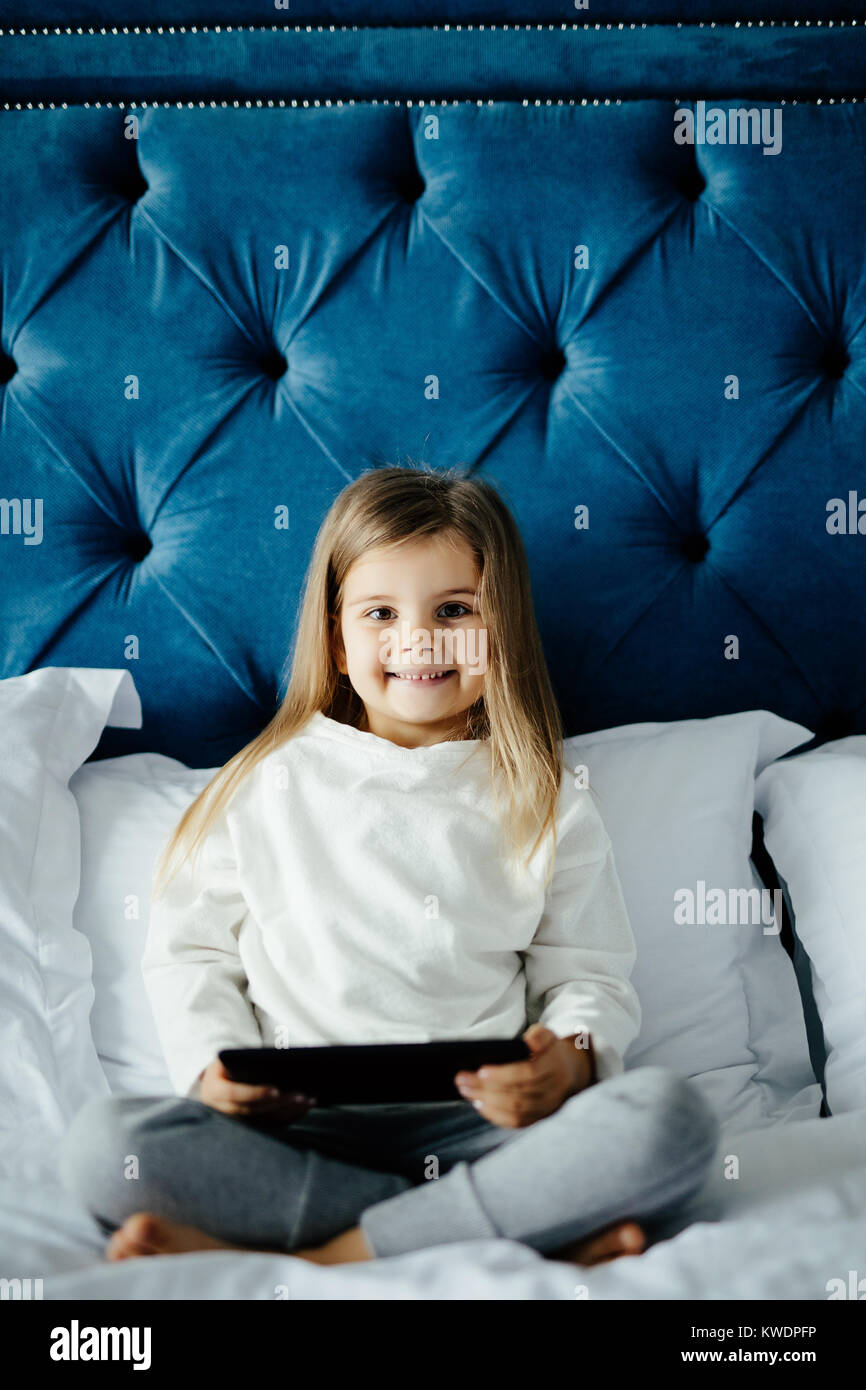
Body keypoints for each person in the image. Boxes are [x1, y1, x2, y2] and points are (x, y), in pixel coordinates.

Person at [59, 464, 718, 1268]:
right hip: (301, 1128)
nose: (418, 640)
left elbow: (589, 974)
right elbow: (191, 955)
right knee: (104, 1146)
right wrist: (212, 1070)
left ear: (500, 628)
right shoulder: (265, 785)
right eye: (380, 613)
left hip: (483, 1125)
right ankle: (495, 1236)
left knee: (669, 1120)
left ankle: (327, 1257)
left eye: (454, 610)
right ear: (338, 641)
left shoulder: (547, 799)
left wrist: (570, 1057)